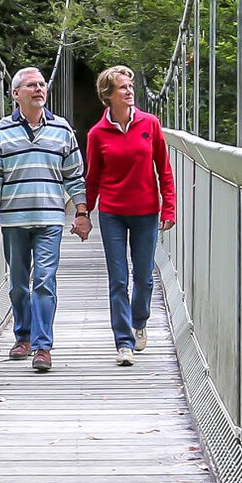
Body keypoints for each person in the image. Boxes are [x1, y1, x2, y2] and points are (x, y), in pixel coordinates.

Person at [0, 67, 89, 373]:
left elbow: (75, 176)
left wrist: (82, 213)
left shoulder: (62, 129)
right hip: (14, 220)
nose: (39, 89)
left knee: (44, 281)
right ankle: (23, 337)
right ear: (16, 93)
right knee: (18, 284)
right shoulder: (0, 132)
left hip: (50, 218)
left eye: (42, 84)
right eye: (31, 85)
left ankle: (43, 347)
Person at [84, 65, 175, 367]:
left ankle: (139, 322)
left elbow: (164, 169)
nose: (130, 91)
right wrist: (84, 213)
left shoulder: (150, 124)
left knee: (144, 277)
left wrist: (169, 206)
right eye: (123, 87)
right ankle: (123, 343)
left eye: (131, 86)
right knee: (118, 279)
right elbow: (92, 178)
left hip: (146, 211)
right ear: (108, 95)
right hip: (112, 213)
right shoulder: (97, 134)